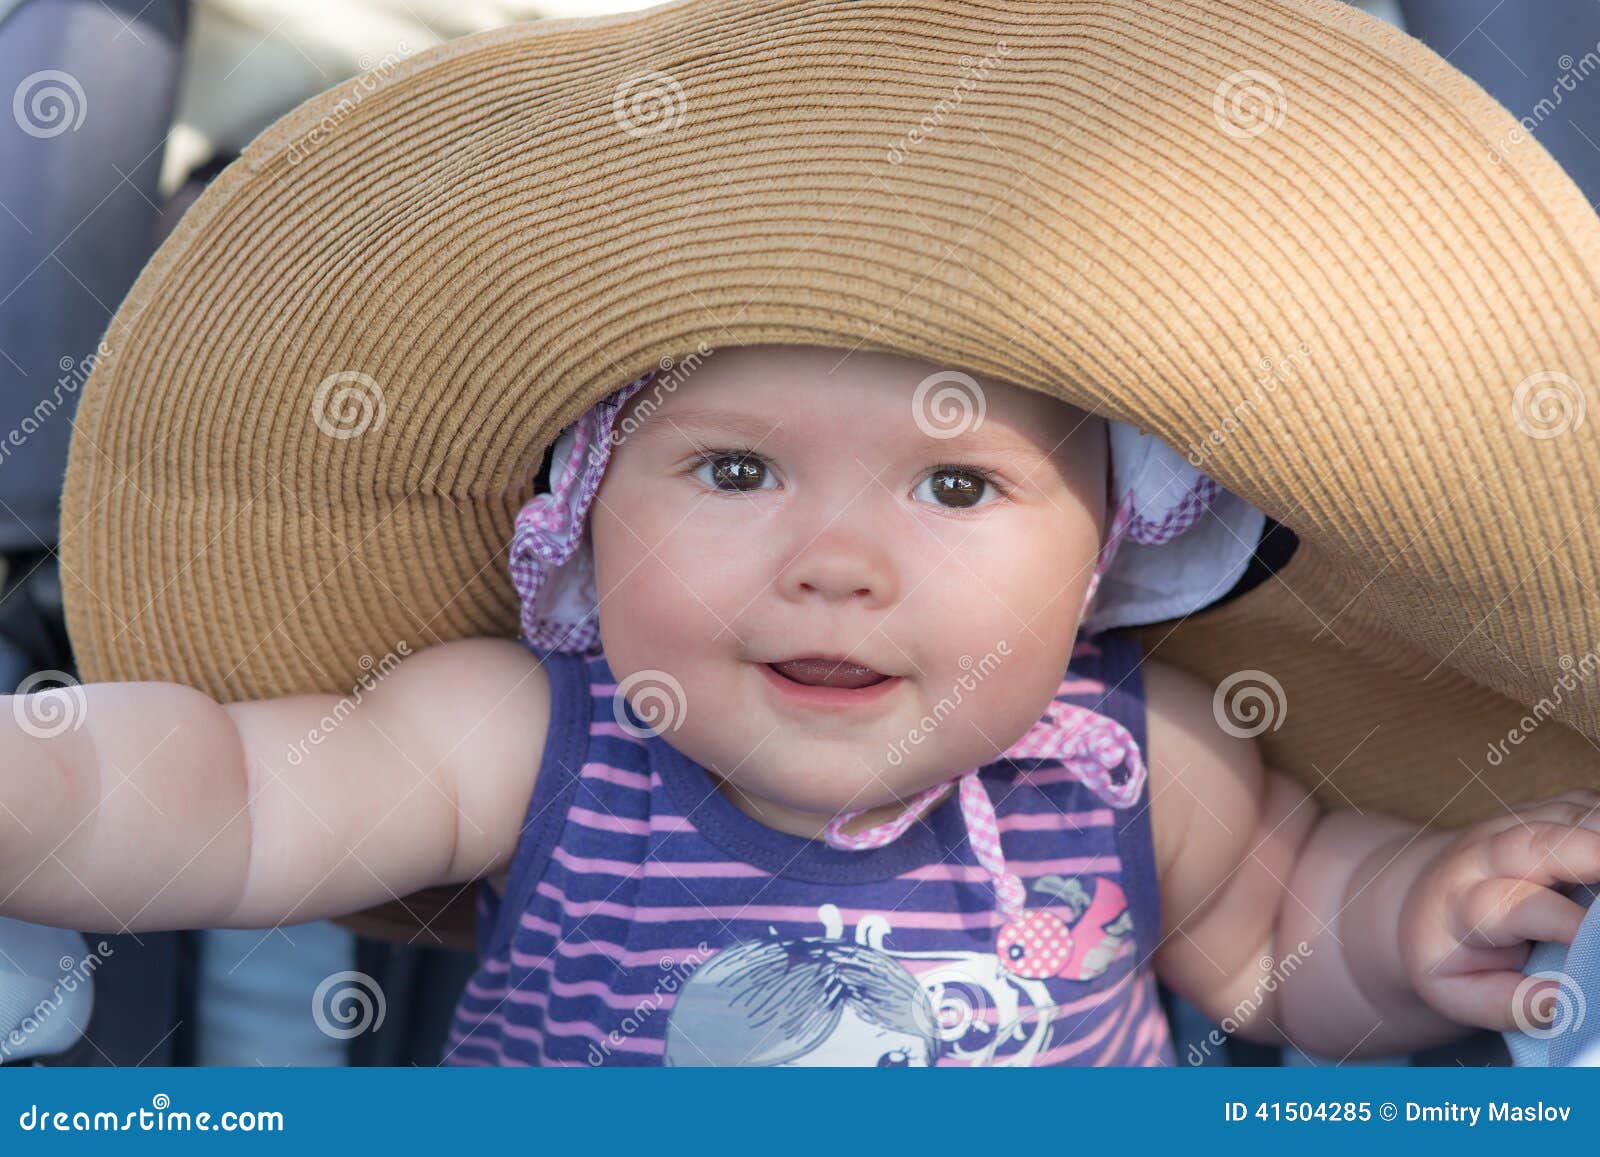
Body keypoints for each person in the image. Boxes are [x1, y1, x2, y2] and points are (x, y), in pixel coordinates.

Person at [5, 343, 1595, 1066]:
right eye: (736, 468)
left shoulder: (1133, 764)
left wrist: (1416, 919)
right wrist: (42, 790)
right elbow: (240, 796)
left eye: (956, 484)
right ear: (583, 526)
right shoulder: (532, 738)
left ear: (1106, 561)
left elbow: (1285, 947)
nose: (838, 562)